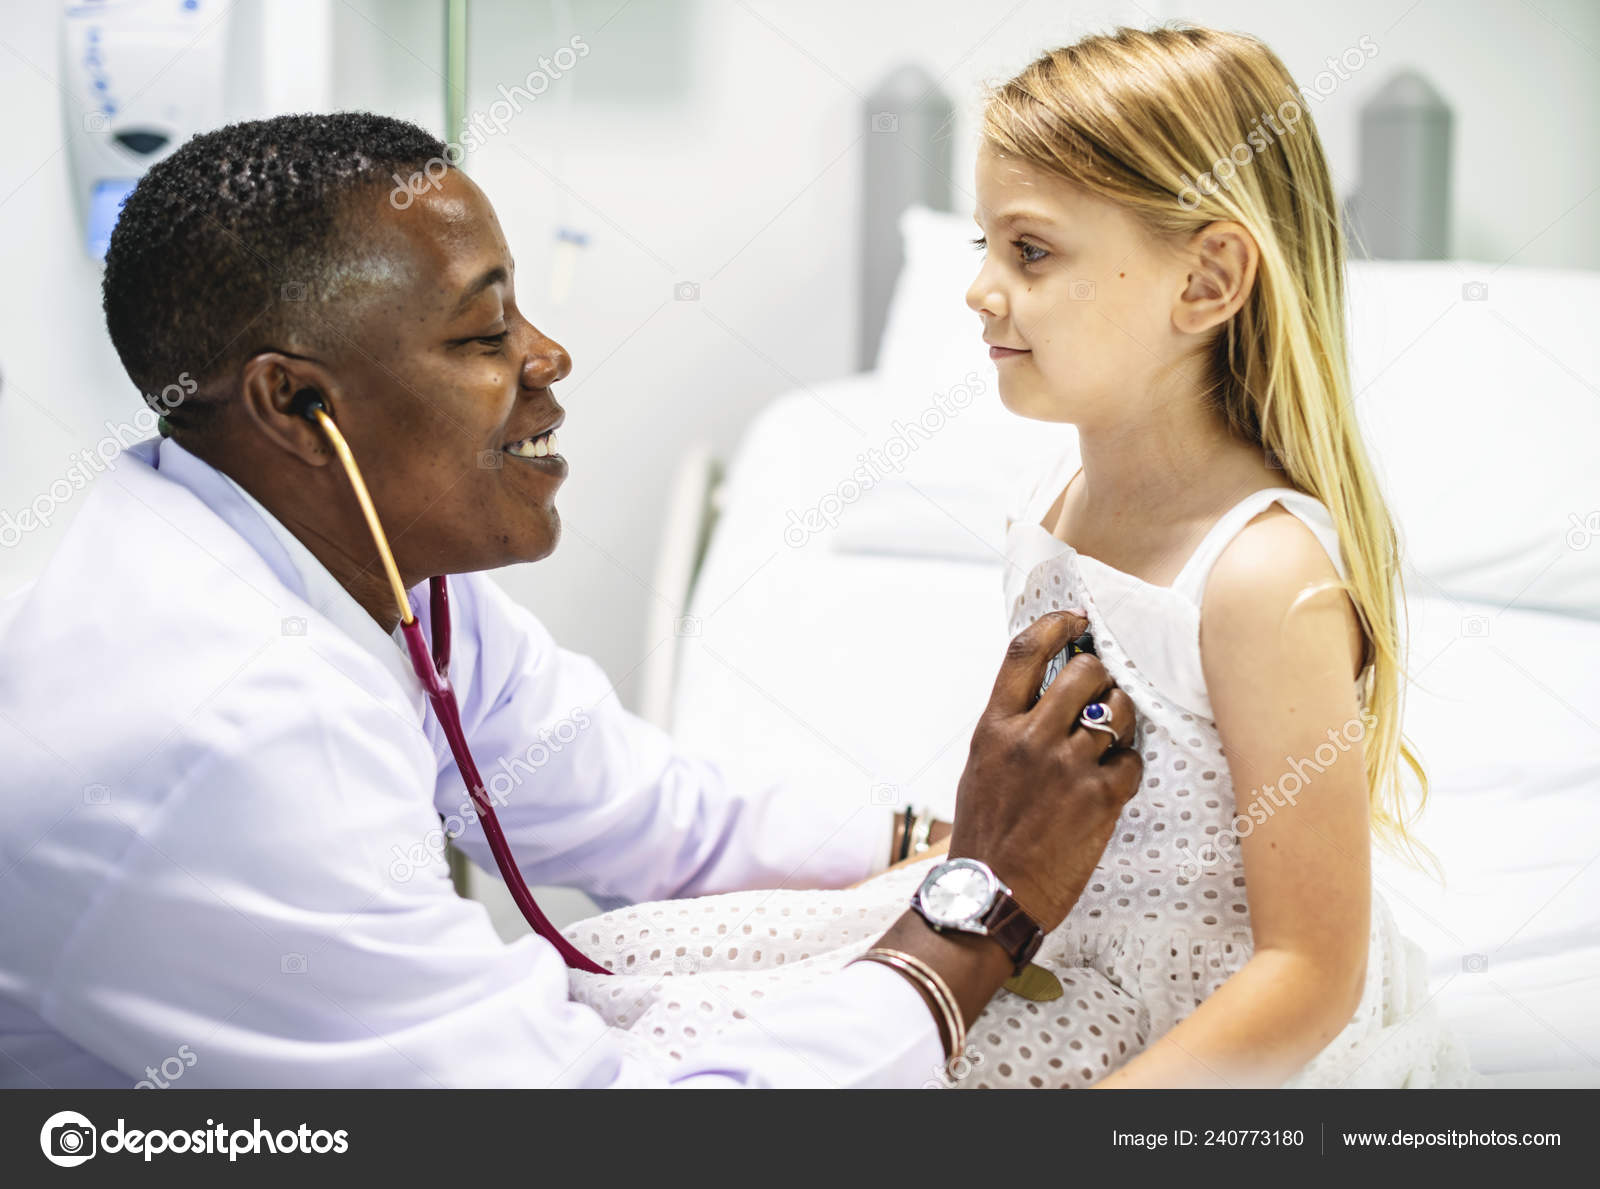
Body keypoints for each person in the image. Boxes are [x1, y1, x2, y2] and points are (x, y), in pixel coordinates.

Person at [0, 112, 1142, 1089]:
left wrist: (929, 838)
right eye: (484, 332)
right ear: (296, 404)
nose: (550, 357)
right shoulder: (224, 734)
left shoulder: (366, 569)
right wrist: (976, 908)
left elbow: (650, 814)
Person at [560, 27, 1475, 1089]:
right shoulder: (1060, 500)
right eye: (982, 247)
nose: (981, 289)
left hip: (1188, 1024)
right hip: (1037, 933)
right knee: (615, 991)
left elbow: (1309, 971)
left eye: (1030, 252)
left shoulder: (1262, 580)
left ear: (1208, 279)